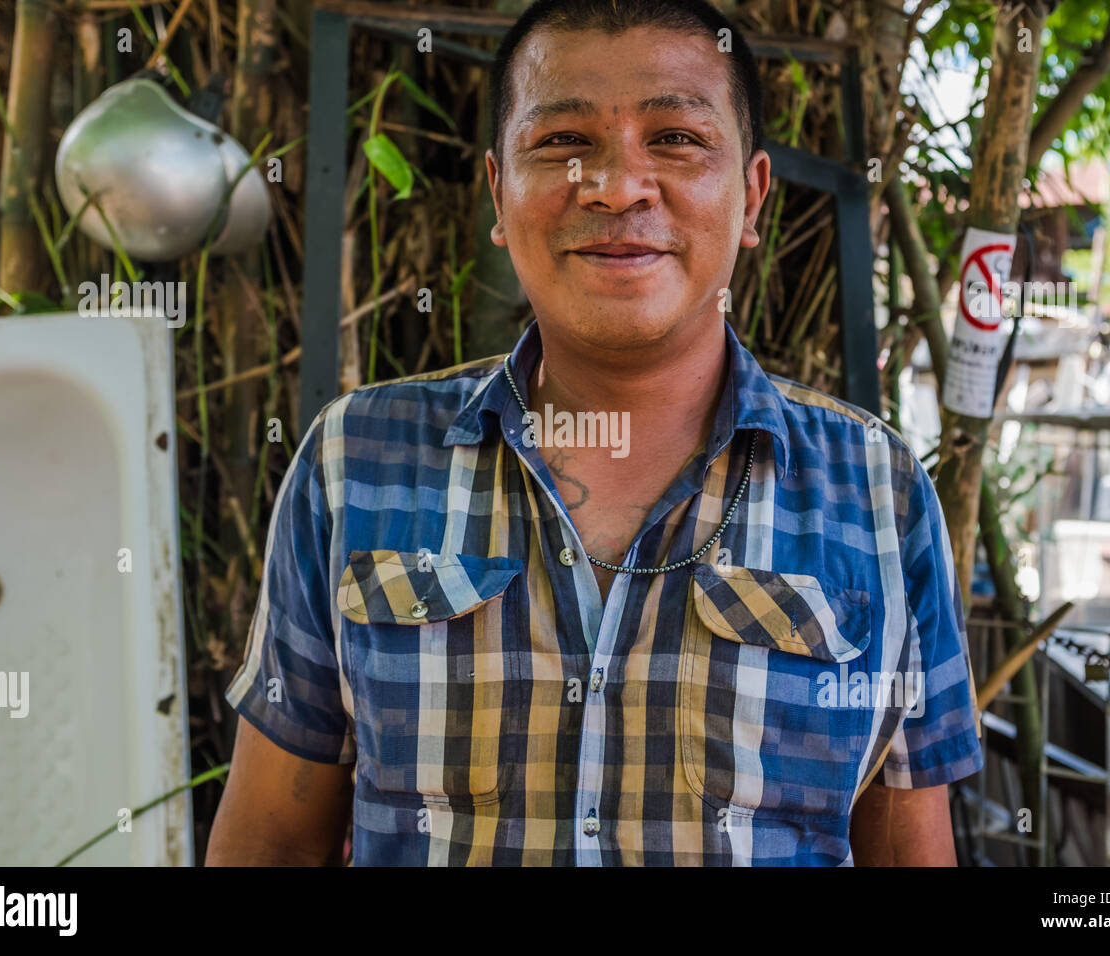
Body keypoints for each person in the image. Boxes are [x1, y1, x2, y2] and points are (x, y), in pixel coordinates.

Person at [206, 0, 983, 867]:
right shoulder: (356, 461)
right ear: (499, 193)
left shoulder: (876, 490)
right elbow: (270, 840)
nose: (615, 187)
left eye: (676, 140)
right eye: (563, 141)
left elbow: (908, 851)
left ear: (752, 196)